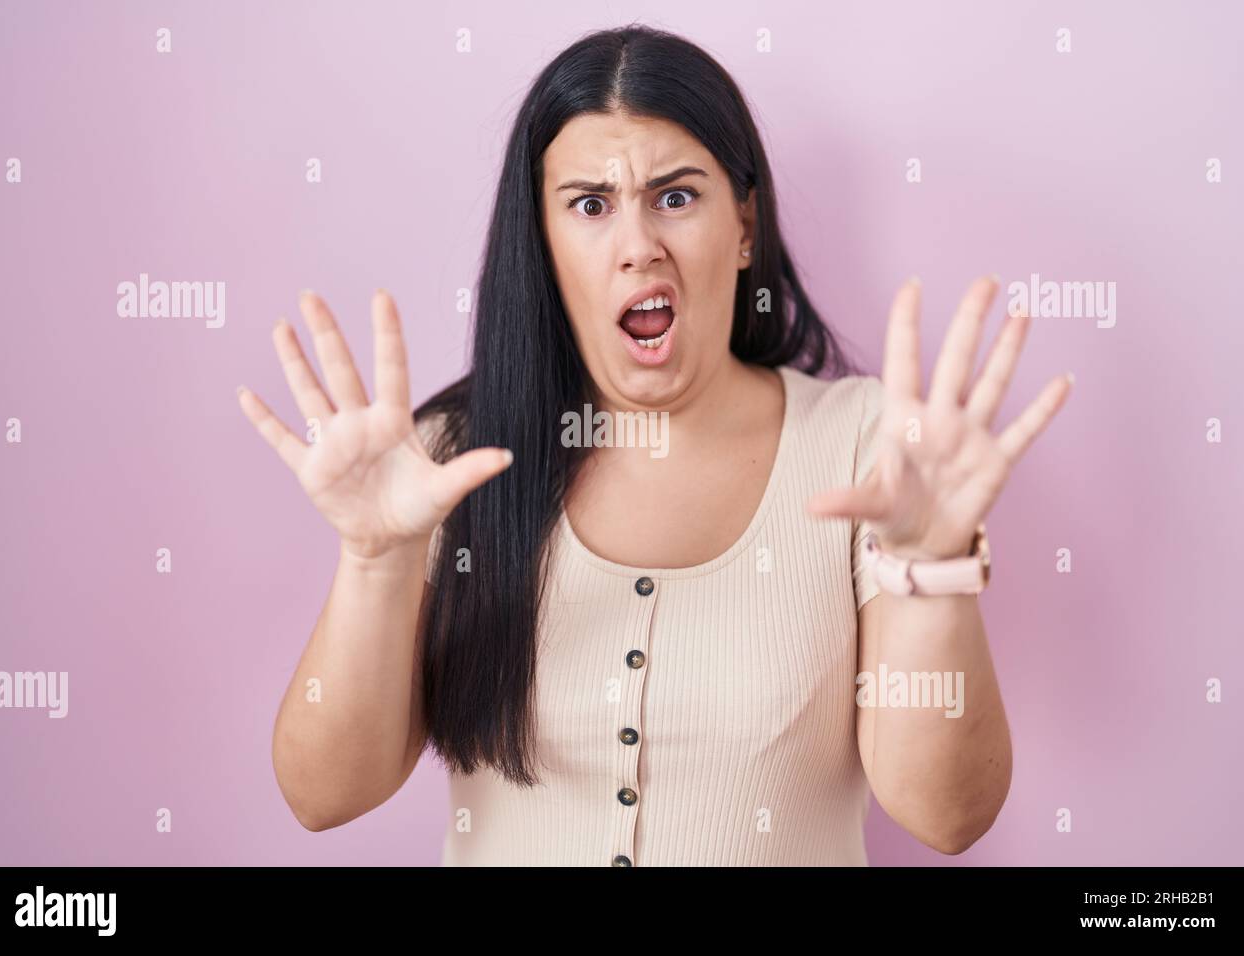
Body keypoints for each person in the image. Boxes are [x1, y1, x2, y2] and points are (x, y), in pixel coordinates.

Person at [236, 24, 1071, 866]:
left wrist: (932, 568)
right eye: (590, 205)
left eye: (676, 197)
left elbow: (947, 815)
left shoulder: (865, 447)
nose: (639, 246)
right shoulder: (444, 461)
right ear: (546, 241)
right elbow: (322, 796)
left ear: (744, 226)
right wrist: (378, 559)